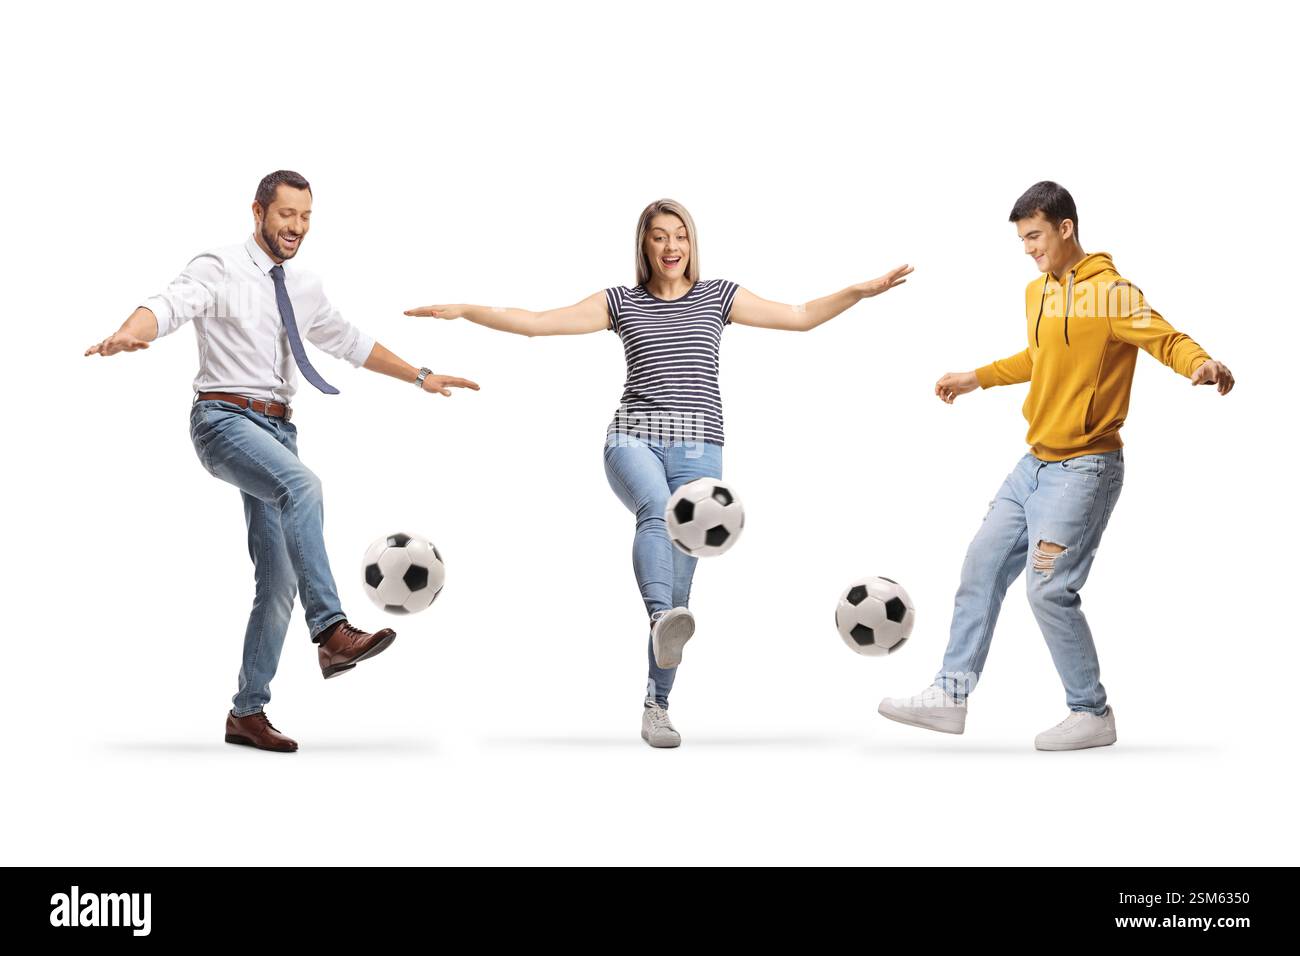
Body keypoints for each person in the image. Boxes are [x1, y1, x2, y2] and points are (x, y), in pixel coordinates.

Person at [405, 198, 911, 747]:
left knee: (682, 585)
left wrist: (860, 292)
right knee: (656, 514)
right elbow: (536, 324)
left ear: (692, 244)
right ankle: (658, 617)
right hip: (634, 437)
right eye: (659, 237)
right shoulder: (620, 303)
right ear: (643, 245)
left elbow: (799, 316)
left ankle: (657, 704)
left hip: (700, 446)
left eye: (681, 237)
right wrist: (465, 310)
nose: (671, 247)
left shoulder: (718, 296)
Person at [85, 170, 480, 752]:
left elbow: (348, 340)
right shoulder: (217, 267)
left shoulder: (303, 285)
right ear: (258, 212)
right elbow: (167, 306)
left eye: (305, 217)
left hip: (277, 429)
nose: (296, 227)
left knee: (276, 581)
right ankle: (331, 631)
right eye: (286, 215)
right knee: (305, 487)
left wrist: (420, 375)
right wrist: (125, 332)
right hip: (223, 421)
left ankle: (247, 714)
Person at [878, 181, 1234, 751]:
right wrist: (976, 378)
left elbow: (1164, 337)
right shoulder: (1038, 291)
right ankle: (950, 695)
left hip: (1085, 468)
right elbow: (1040, 356)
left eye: (1036, 236)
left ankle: (1091, 712)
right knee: (981, 568)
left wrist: (1201, 364)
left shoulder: (1112, 293)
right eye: (1022, 240)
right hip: (1033, 465)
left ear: (1066, 228)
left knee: (1048, 591)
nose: (1029, 248)